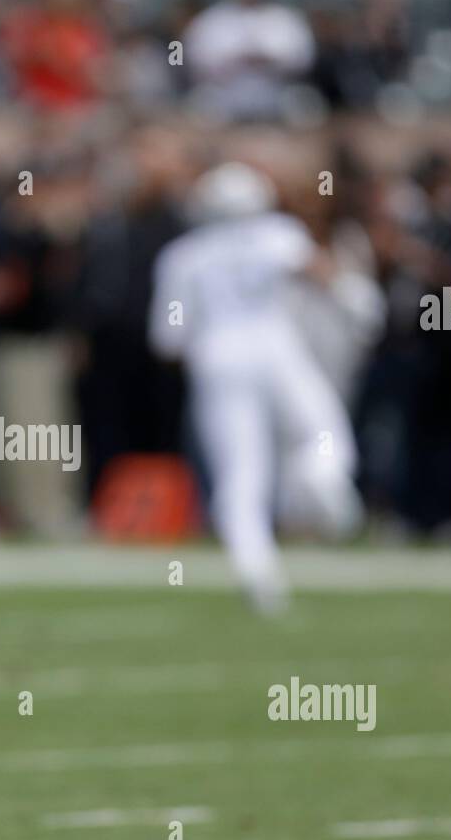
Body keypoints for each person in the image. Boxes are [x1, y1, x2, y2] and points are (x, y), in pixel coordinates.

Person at [149, 162, 370, 612]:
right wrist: (359, 302)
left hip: (219, 360)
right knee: (324, 431)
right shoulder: (278, 235)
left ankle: (258, 573)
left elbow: (167, 340)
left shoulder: (182, 256)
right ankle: (320, 486)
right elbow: (326, 276)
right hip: (276, 348)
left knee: (241, 474)